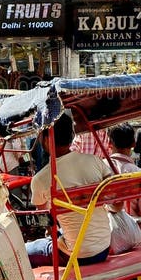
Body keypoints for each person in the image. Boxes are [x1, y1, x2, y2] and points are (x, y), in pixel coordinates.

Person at [27, 113, 112, 267]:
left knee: (25, 251)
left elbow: (46, 221)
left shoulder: (40, 179)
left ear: (47, 139)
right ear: (72, 135)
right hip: (103, 247)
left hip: (75, 255)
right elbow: (113, 190)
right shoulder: (95, 161)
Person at [108, 123, 141, 220]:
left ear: (110, 144)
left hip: (98, 229)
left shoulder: (99, 168)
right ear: (133, 144)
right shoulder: (140, 175)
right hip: (132, 229)